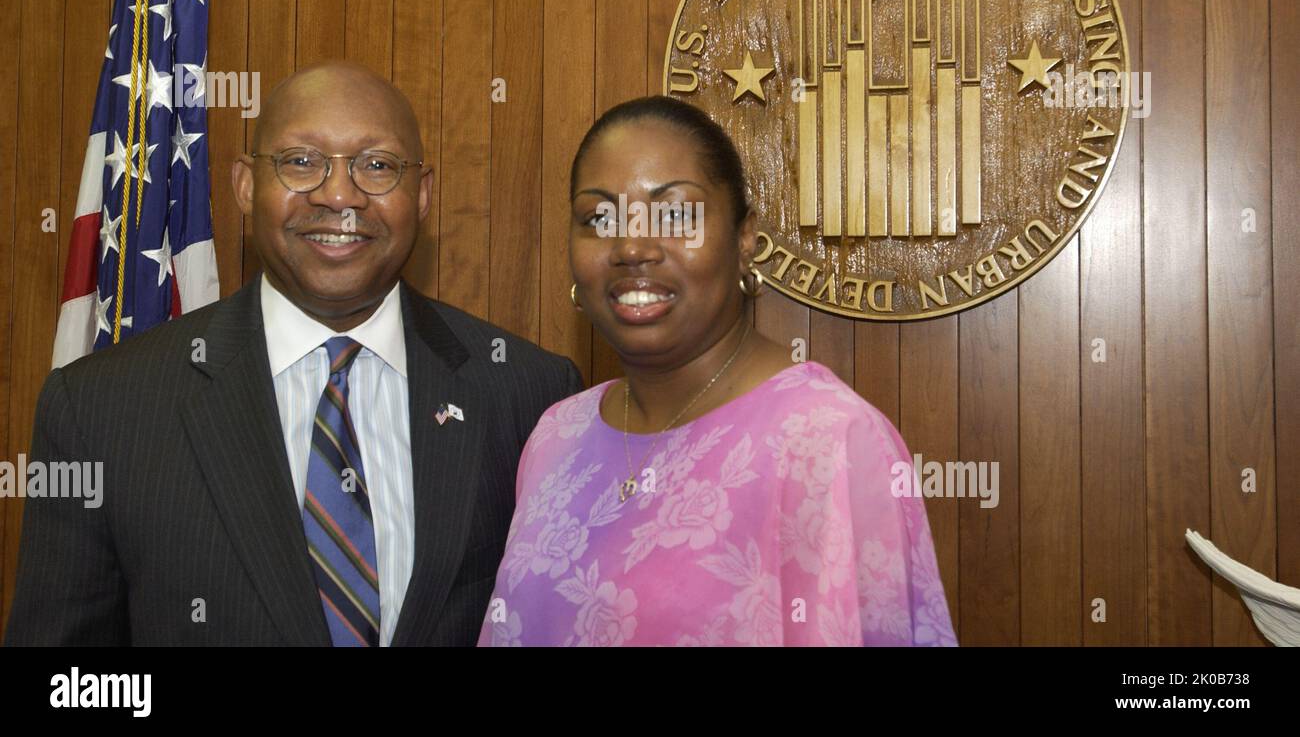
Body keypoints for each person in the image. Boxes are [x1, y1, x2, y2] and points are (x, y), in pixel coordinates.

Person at [4, 61, 583, 646]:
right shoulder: (100, 408)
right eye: (301, 162)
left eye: (377, 166)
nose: (338, 195)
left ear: (423, 194)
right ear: (245, 186)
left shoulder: (531, 395)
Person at [477, 95, 956, 646]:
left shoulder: (827, 440)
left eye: (676, 214)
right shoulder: (557, 435)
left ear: (745, 236)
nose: (631, 245)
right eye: (599, 217)